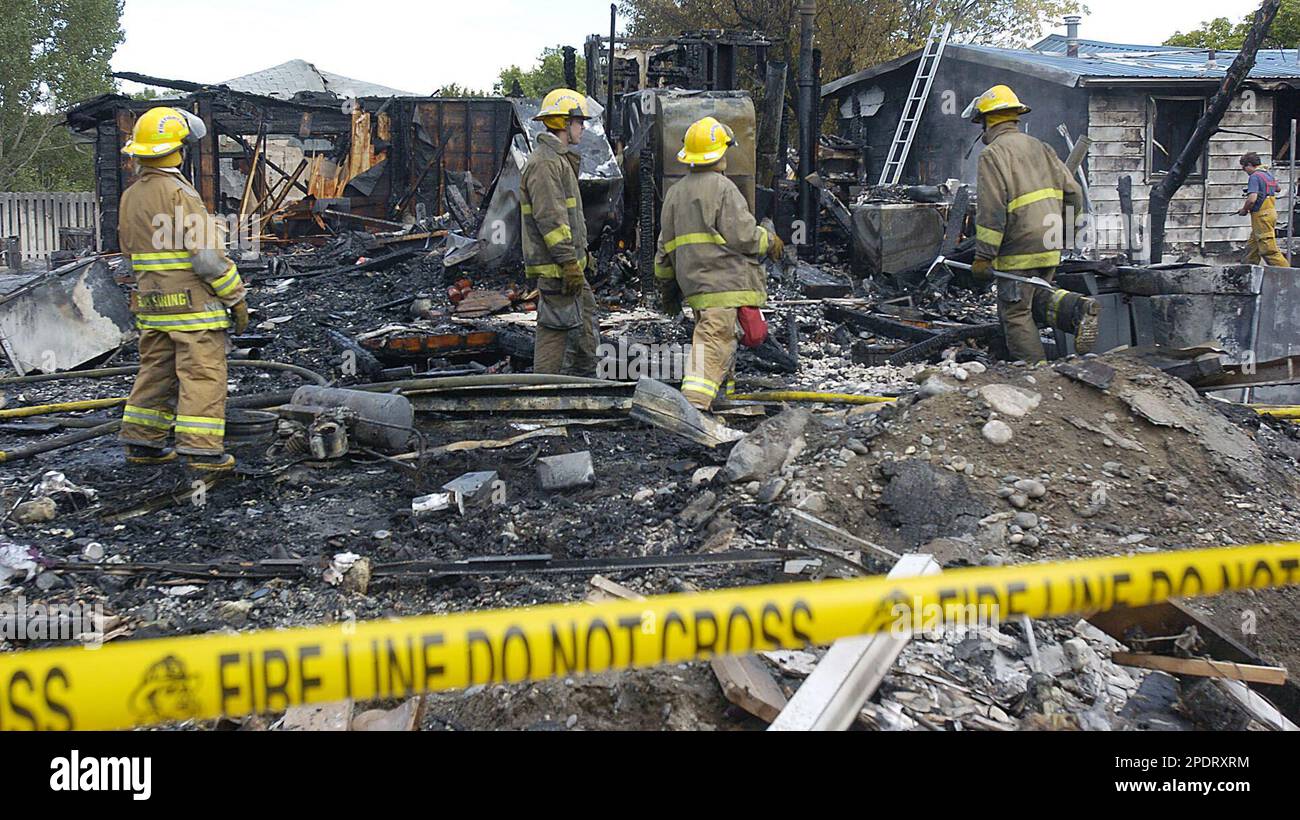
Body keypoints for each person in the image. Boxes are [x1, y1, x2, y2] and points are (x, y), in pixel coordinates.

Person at [117, 106, 248, 471]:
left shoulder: (131, 196)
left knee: (155, 372)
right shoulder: (180, 194)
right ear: (179, 149)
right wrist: (235, 297)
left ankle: (142, 443)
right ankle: (201, 450)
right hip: (193, 310)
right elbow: (207, 260)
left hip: (151, 305)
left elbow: (130, 253)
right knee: (202, 373)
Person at [654, 116, 782, 411]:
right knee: (714, 343)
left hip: (696, 289)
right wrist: (770, 241)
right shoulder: (723, 189)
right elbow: (745, 236)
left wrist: (668, 292)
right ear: (719, 153)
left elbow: (664, 251)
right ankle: (694, 407)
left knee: (720, 340)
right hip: (724, 285)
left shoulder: (674, 194)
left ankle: (722, 398)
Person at [966, 84, 1099, 362]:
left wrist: (983, 257)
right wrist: (1066, 237)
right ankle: (1076, 309)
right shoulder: (1041, 147)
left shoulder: (993, 155)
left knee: (1015, 312)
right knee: (1037, 299)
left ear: (989, 121)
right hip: (1049, 245)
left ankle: (1036, 376)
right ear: (1014, 117)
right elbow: (1074, 192)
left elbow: (992, 211)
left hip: (1018, 247)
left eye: (981, 123)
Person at [520, 88, 599, 375]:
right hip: (558, 272)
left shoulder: (557, 160)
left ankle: (584, 391)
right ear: (564, 123)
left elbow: (569, 218)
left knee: (585, 334)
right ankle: (547, 398)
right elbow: (551, 221)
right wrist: (568, 262)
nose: (583, 127)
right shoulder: (545, 164)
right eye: (580, 121)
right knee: (556, 341)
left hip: (567, 269)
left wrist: (581, 258)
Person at [1238, 152, 1289, 267]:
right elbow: (1278, 189)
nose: (1244, 170)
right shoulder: (1267, 174)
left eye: (1244, 167)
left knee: (1268, 250)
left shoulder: (1255, 176)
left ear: (1250, 164)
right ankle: (1246, 272)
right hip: (1270, 212)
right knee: (1252, 248)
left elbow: (1252, 199)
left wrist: (1244, 210)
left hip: (1262, 215)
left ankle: (1288, 275)